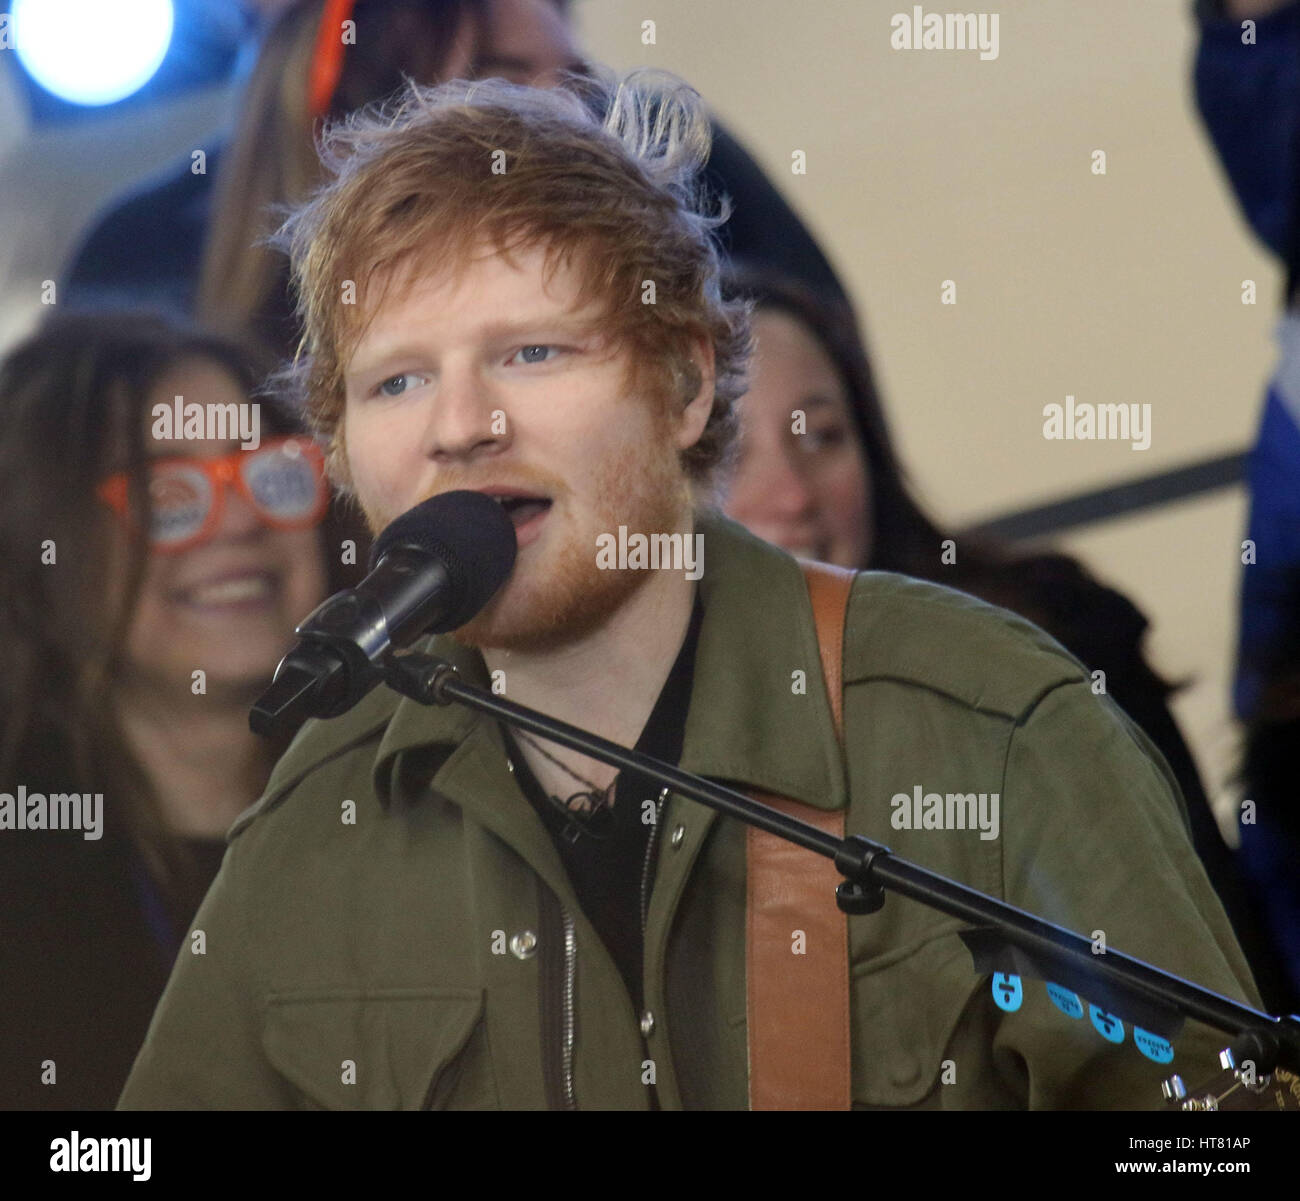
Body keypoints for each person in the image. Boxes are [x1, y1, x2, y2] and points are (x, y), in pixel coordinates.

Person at [120, 70, 1259, 1111]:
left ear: (680, 383)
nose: (460, 425)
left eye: (532, 353)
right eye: (397, 380)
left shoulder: (984, 720)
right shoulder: (320, 814)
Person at [718, 263, 1295, 1013]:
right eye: (731, 451)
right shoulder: (624, 738)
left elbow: (1220, 978)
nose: (793, 494)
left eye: (823, 435)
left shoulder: (1060, 635)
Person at [62, 0, 851, 361]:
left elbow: (816, 362)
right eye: (506, 77)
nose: (573, 111)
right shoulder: (138, 254)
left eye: (579, 77)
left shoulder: (681, 152)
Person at [0, 313, 331, 1109]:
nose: (244, 519)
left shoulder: (419, 801)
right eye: (167, 494)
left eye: (270, 472)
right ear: (40, 541)